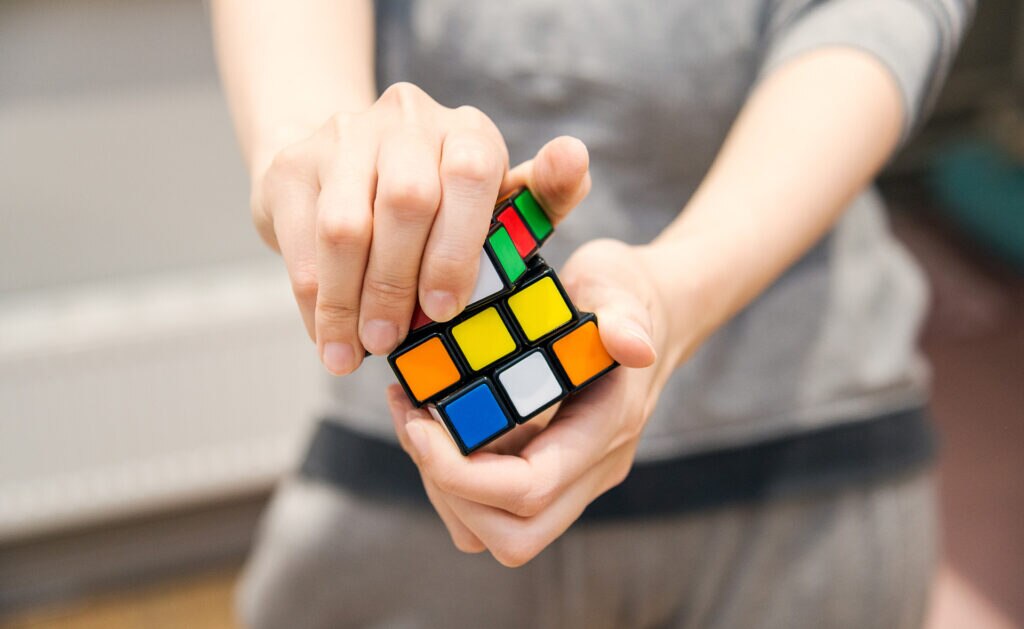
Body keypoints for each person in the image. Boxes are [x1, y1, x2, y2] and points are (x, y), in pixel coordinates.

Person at [211, 1, 973, 627]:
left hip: (806, 478)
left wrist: (676, 292)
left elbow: (875, 21)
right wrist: (312, 156)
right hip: (411, 473)